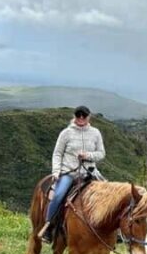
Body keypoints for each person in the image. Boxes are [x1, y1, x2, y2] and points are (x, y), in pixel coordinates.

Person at [39, 105, 105, 244]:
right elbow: (57, 153)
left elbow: (101, 153)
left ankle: (112, 232)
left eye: (84, 115)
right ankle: (49, 227)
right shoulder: (66, 133)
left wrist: (88, 155)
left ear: (89, 117)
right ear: (74, 116)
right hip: (69, 173)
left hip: (89, 172)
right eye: (78, 115)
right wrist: (56, 171)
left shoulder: (96, 133)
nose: (81, 118)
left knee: (110, 197)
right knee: (58, 195)